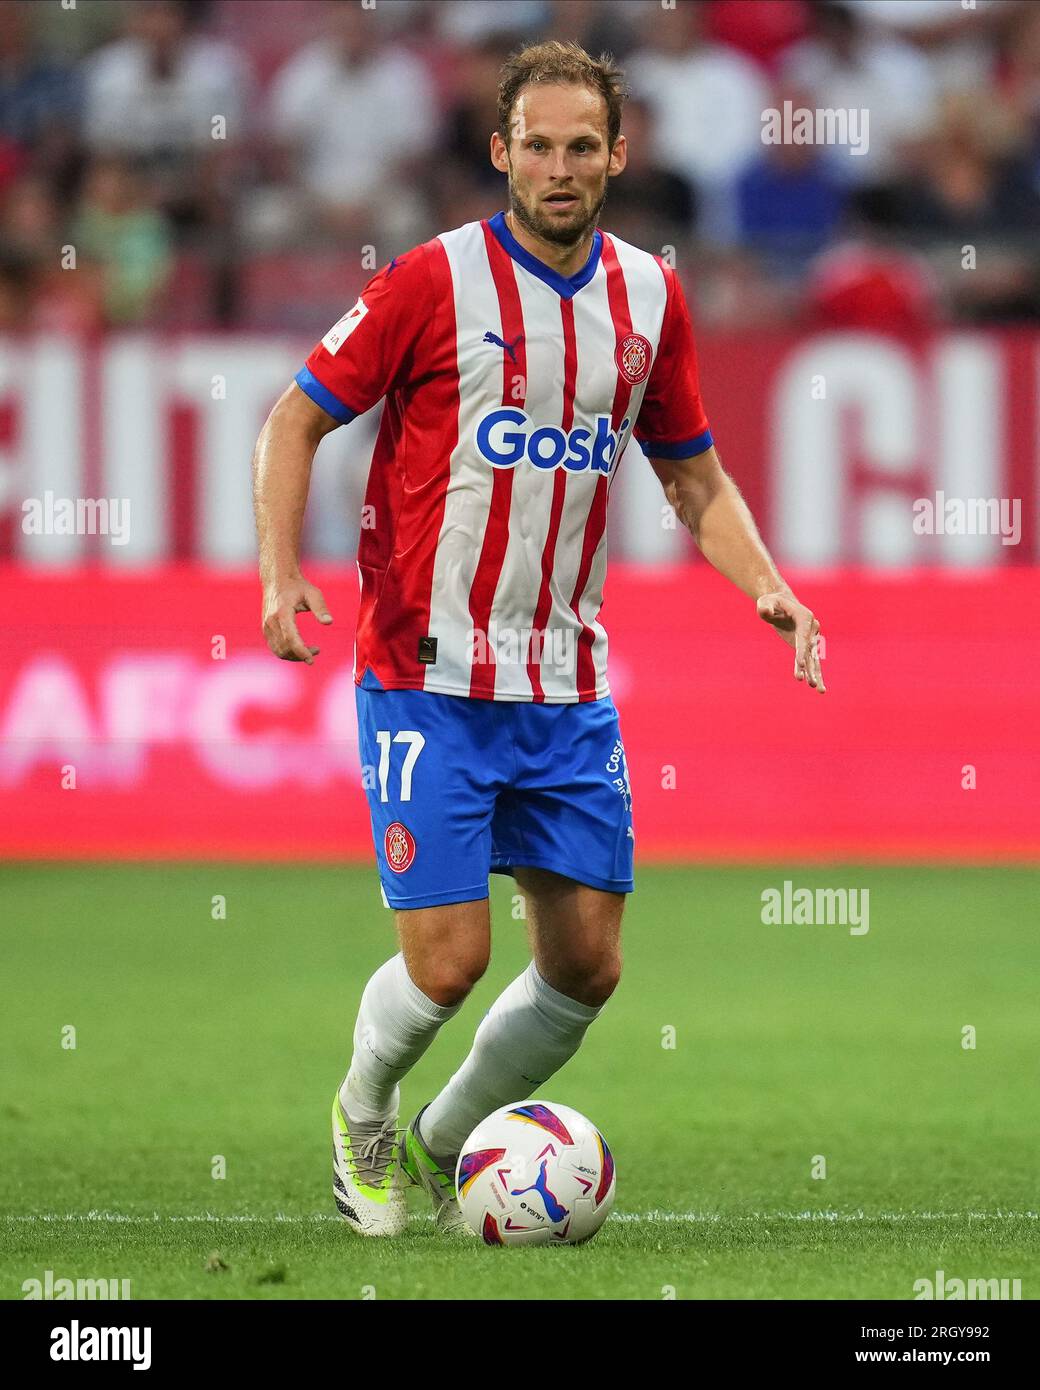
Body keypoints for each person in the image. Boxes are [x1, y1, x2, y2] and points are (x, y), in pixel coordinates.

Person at [251, 39, 824, 1239]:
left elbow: (694, 480)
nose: (558, 168)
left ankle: (444, 1139)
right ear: (499, 150)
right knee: (450, 959)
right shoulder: (427, 282)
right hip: (427, 675)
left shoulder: (649, 299)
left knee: (586, 967)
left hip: (564, 684)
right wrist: (276, 573)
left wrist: (766, 586)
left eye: (582, 146)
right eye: (537, 145)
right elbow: (293, 421)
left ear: (616, 154)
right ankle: (362, 1112)